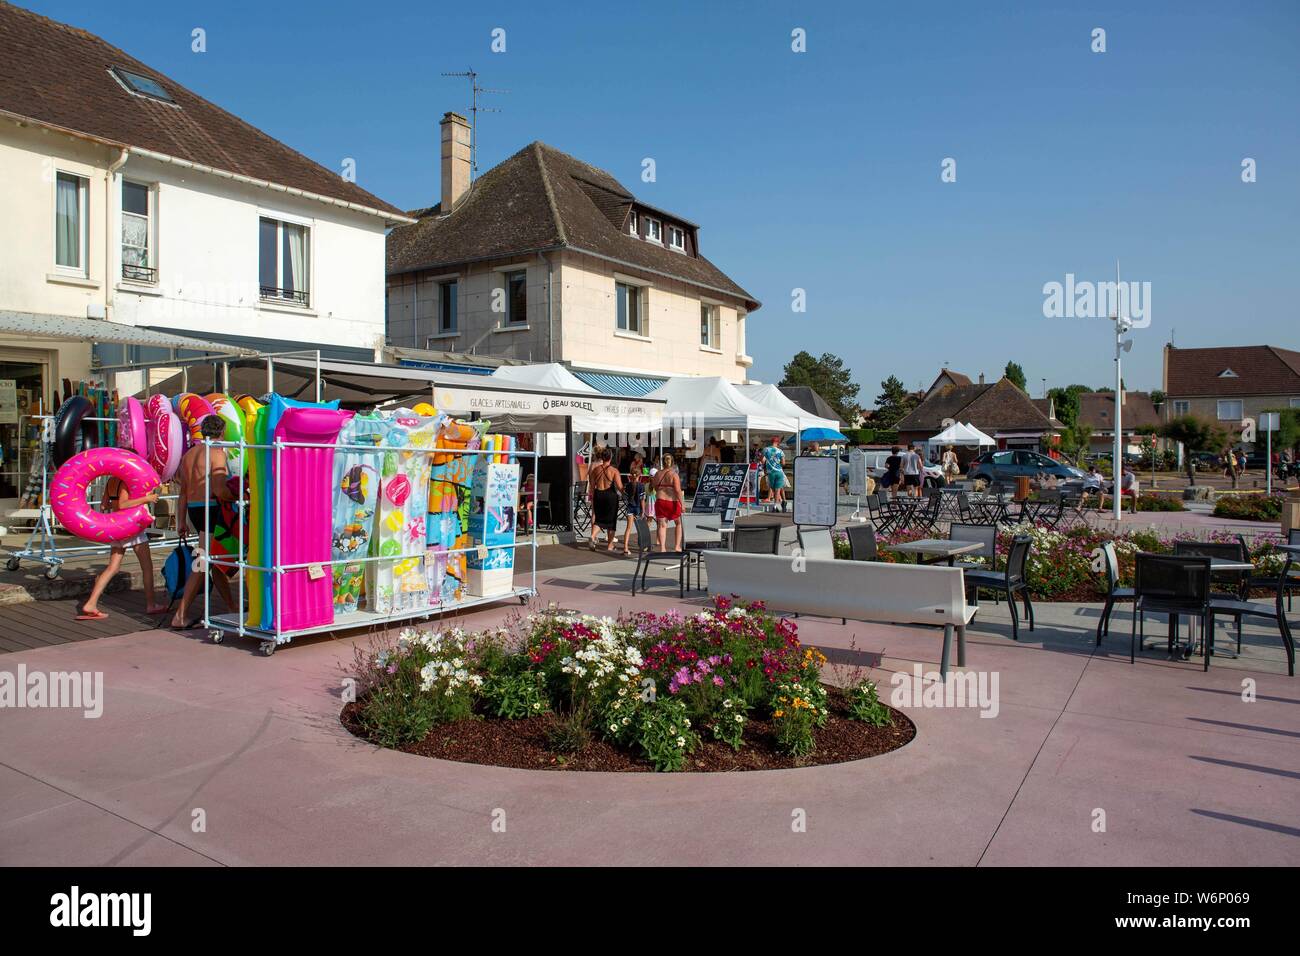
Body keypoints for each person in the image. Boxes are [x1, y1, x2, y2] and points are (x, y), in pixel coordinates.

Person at [171, 415, 238, 629]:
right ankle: (180, 615)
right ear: (222, 432)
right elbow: (219, 490)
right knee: (202, 562)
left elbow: (183, 493)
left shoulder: (189, 455)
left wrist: (181, 521)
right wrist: (241, 496)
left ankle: (231, 607)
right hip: (210, 509)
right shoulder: (216, 453)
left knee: (214, 562)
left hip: (194, 509)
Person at [77, 477, 165, 621]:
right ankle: (151, 604)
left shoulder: (110, 481)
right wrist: (147, 499)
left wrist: (114, 504)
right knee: (147, 567)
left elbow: (104, 506)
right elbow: (123, 504)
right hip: (130, 526)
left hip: (116, 527)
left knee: (112, 568)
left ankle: (91, 603)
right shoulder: (124, 481)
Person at [587, 447, 623, 551]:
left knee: (598, 519)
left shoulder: (595, 470)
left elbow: (592, 486)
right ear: (610, 457)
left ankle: (593, 536)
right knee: (611, 521)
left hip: (598, 494)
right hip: (610, 496)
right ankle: (610, 545)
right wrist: (625, 493)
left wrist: (592, 498)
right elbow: (620, 487)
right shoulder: (614, 471)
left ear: (602, 457)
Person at [650, 454, 684, 551]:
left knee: (662, 525)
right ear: (672, 463)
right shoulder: (674, 475)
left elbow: (654, 487)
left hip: (660, 501)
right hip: (672, 502)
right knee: (678, 523)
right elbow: (677, 490)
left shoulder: (657, 474)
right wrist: (682, 504)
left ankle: (662, 548)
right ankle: (677, 546)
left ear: (662, 462)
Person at [620, 451, 646, 555]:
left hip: (630, 507)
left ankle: (625, 547)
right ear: (640, 475)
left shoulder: (628, 485)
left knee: (628, 528)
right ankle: (642, 546)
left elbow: (625, 496)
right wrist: (643, 511)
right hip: (638, 508)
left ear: (631, 475)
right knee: (640, 528)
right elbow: (642, 499)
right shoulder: (641, 486)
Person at [760, 435, 787, 511]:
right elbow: (783, 463)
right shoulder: (780, 451)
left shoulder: (765, 450)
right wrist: (778, 464)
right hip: (779, 472)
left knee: (773, 489)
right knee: (778, 489)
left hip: (771, 472)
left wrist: (768, 462)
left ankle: (777, 506)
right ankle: (777, 505)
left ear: (771, 442)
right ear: (777, 442)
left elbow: (762, 460)